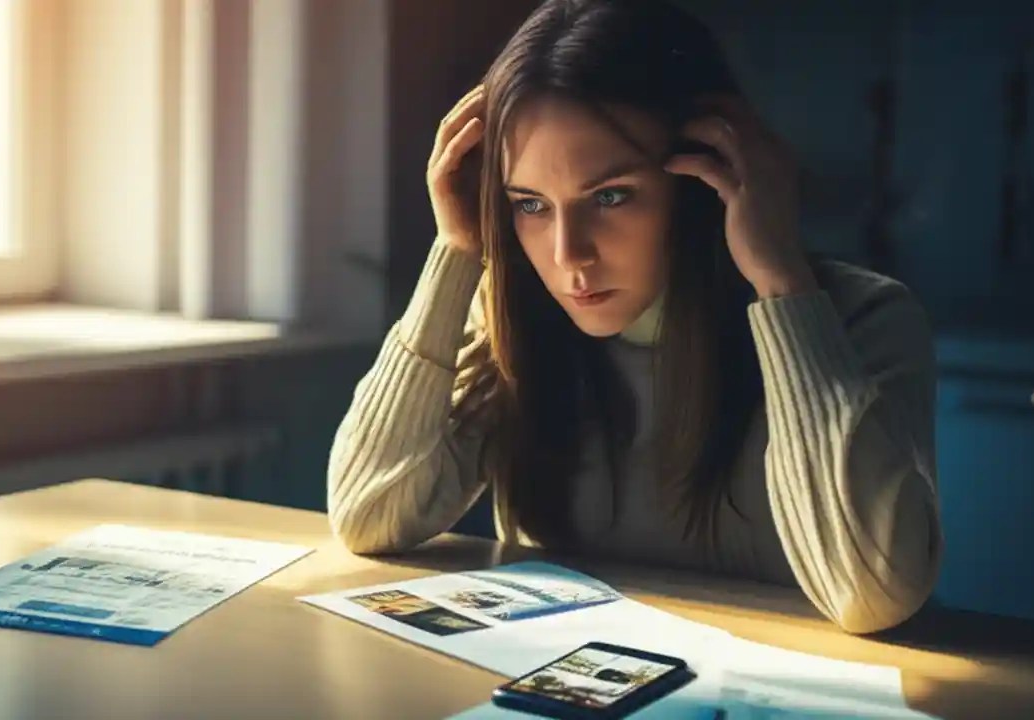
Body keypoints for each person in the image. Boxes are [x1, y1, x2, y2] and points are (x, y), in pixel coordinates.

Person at [327, 0, 942, 634]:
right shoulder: (516, 319)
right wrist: (457, 252)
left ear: (711, 179)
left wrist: (781, 282)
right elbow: (368, 514)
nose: (569, 255)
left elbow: (872, 593)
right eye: (531, 204)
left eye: (611, 196)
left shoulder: (864, 321)